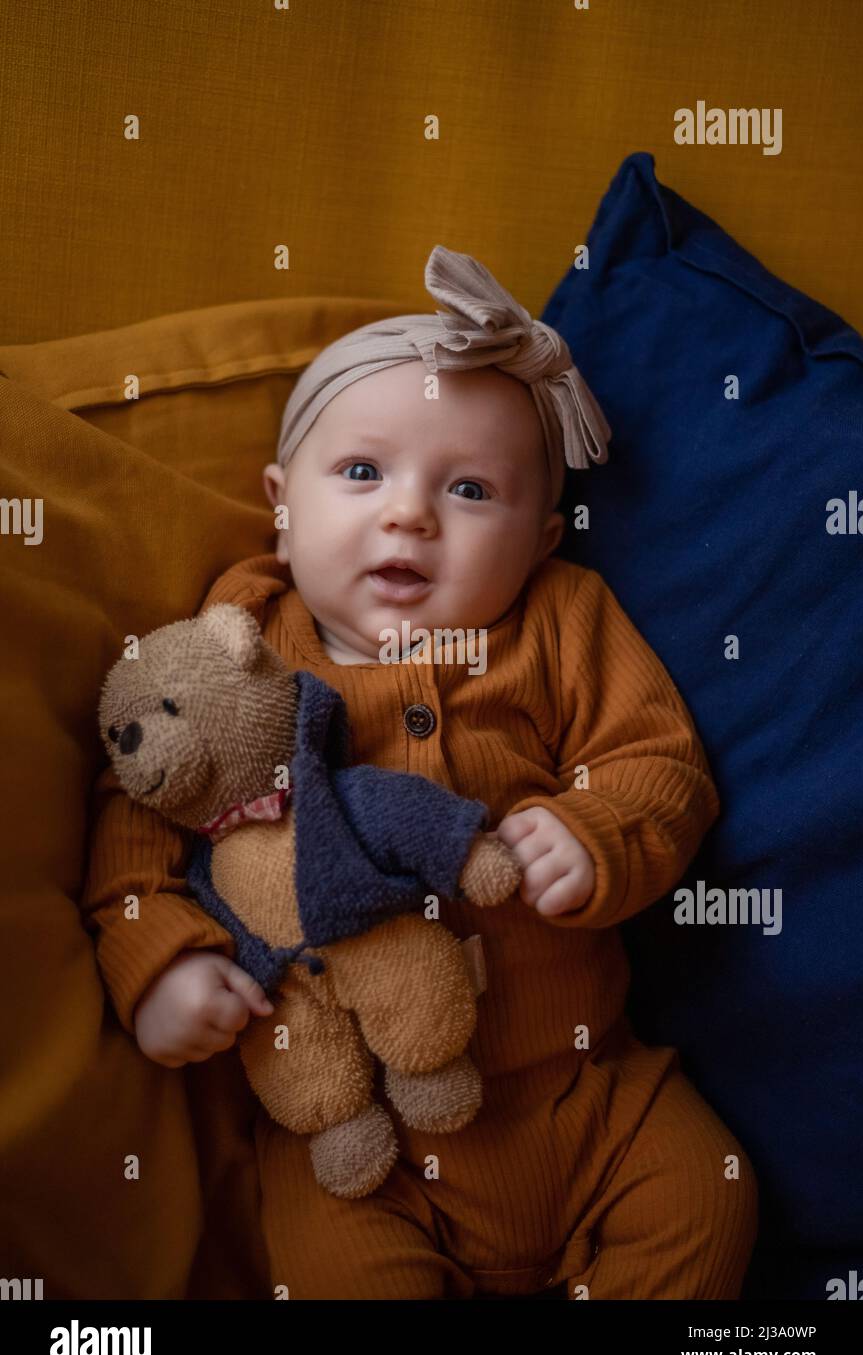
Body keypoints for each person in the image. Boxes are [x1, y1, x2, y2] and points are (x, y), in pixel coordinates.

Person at [82, 244, 758, 1299]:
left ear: (539, 542)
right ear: (281, 502)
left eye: (470, 488)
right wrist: (157, 962)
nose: (409, 513)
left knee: (705, 1199)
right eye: (361, 471)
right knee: (331, 1268)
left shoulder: (560, 621)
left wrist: (595, 829)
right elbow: (139, 811)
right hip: (358, 1141)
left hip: (585, 1095)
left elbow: (659, 763)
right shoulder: (241, 642)